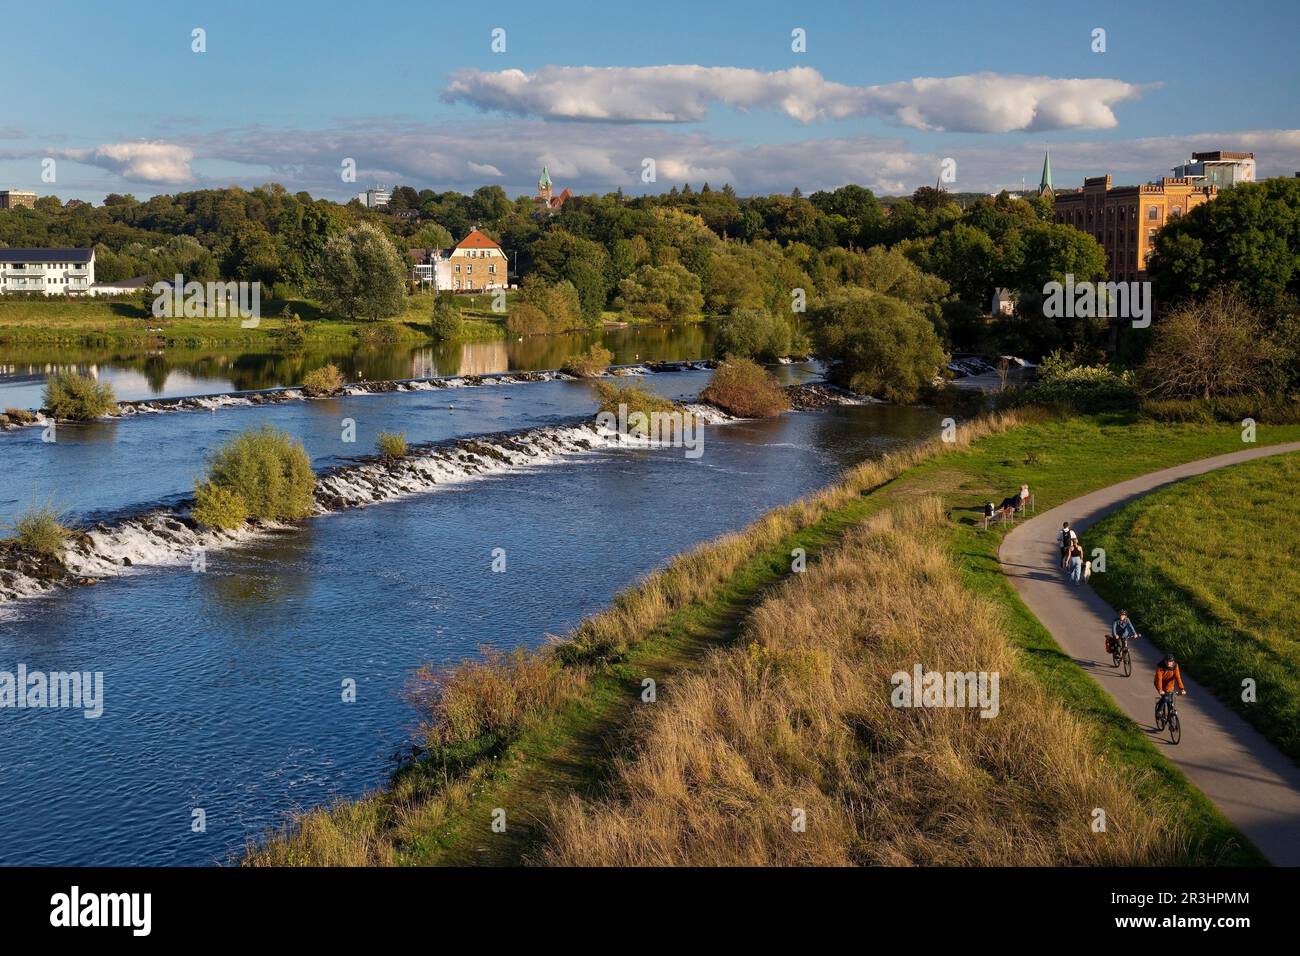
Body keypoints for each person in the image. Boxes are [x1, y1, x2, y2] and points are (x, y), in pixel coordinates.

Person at [1155, 653, 1187, 724]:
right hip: (1160, 684)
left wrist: (1182, 689)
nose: (1169, 663)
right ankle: (1159, 711)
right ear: (1164, 661)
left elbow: (1178, 677)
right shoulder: (1160, 666)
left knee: (1170, 704)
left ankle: (1171, 720)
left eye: (1171, 661)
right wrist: (1160, 689)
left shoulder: (1175, 666)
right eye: (1167, 661)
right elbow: (1159, 678)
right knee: (1165, 698)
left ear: (1173, 661)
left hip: (1170, 685)